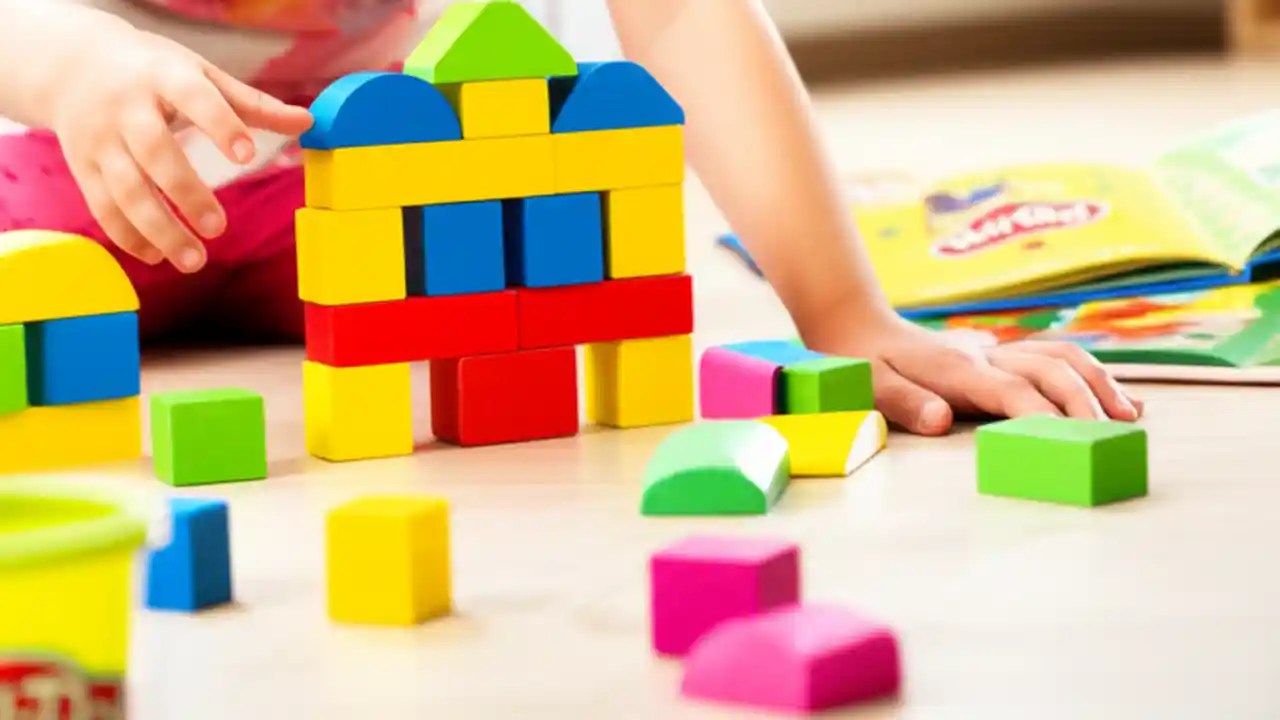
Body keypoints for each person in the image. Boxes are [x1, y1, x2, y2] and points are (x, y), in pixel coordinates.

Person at [0, 0, 1141, 435]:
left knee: (542, 227)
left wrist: (843, 312)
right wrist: (63, 57)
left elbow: (681, 14)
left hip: (364, 166)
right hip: (63, 161)